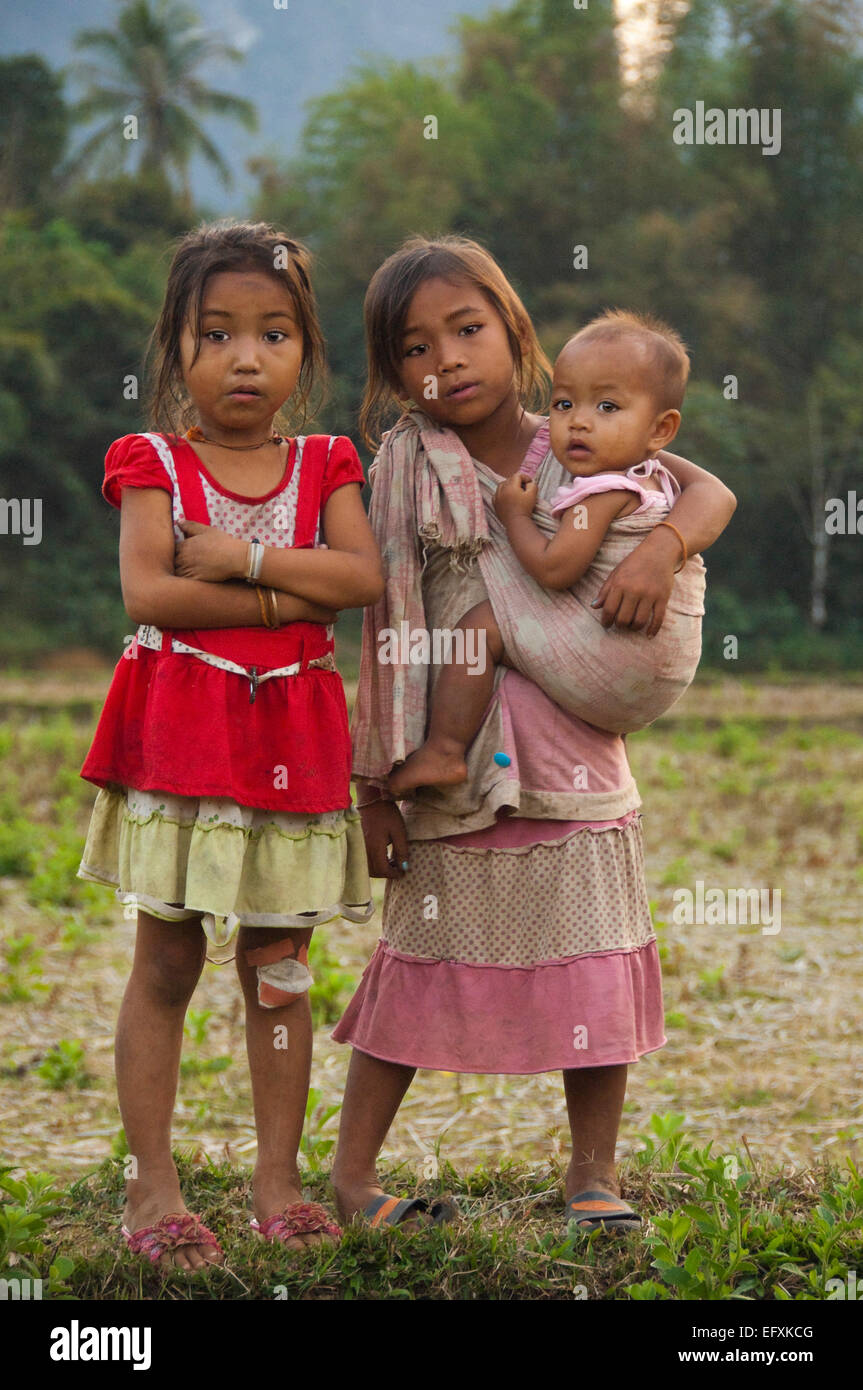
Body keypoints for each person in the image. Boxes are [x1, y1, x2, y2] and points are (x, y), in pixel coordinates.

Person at [330, 234, 735, 1235]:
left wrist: (662, 552)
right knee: (414, 964)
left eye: (466, 330)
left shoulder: (583, 438)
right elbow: (385, 624)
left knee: (591, 956)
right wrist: (374, 782)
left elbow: (708, 492)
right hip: (447, 765)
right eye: (414, 349)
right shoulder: (406, 467)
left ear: (514, 333)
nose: (446, 361)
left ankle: (589, 1174)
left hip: (574, 757)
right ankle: (350, 1180)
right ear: (392, 375)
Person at [77, 220, 382, 1271]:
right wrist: (285, 589)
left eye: (273, 334)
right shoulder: (153, 460)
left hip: (294, 741)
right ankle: (151, 1187)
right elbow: (149, 590)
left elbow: (360, 580)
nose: (246, 358)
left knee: (279, 965)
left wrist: (242, 560)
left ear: (305, 350)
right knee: (166, 956)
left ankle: (278, 1181)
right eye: (216, 334)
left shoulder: (325, 461)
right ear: (177, 350)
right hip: (182, 739)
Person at [388, 308, 706, 795]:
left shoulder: (602, 491)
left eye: (607, 408)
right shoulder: (652, 477)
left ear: (660, 431)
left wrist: (513, 514)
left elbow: (556, 569)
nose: (578, 422)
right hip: (654, 672)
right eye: (563, 405)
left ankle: (445, 750)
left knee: (479, 627)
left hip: (620, 651)